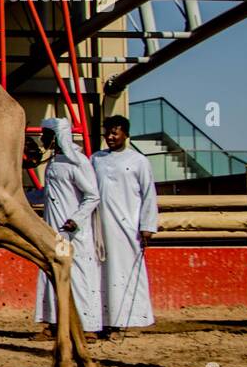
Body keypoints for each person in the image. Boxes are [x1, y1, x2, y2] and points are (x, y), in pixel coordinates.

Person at [34, 117, 103, 335]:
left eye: (45, 135)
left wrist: (77, 219)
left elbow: (92, 196)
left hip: (73, 232)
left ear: (55, 137)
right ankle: (54, 324)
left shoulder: (78, 162)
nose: (42, 139)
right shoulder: (54, 162)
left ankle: (86, 327)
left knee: (78, 276)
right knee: (52, 273)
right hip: (53, 230)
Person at [92, 114, 158, 331]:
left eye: (115, 132)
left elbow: (149, 195)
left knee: (126, 273)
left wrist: (147, 227)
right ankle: (104, 321)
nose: (110, 137)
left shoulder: (139, 161)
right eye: (107, 132)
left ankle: (130, 321)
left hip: (128, 228)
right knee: (102, 275)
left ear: (125, 135)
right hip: (100, 229)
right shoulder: (96, 159)